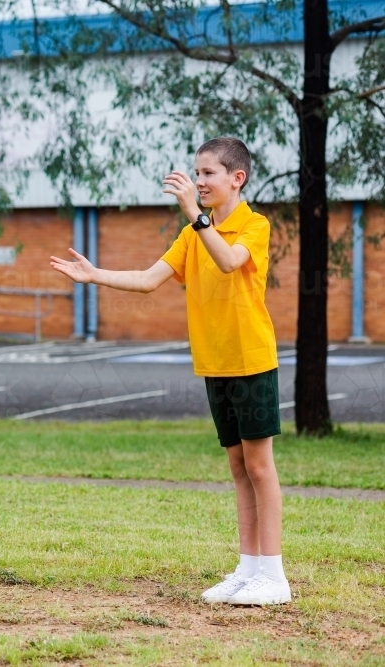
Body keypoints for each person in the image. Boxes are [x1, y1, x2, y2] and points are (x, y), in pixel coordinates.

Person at [49, 137, 290, 606]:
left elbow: (227, 263)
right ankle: (248, 569)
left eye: (208, 174)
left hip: (252, 359)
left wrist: (196, 217)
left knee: (261, 467)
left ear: (236, 178)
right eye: (196, 173)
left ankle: (274, 576)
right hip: (215, 363)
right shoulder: (191, 235)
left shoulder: (253, 227)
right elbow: (146, 281)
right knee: (239, 468)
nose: (198, 181)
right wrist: (94, 274)